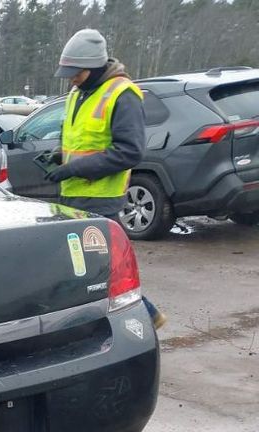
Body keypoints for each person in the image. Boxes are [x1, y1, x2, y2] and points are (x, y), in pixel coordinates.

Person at [44, 28, 166, 329]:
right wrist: (61, 154)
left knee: (104, 269)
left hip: (102, 198)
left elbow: (129, 152)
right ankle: (110, 318)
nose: (70, 77)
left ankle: (146, 316)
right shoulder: (79, 92)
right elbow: (83, 139)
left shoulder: (122, 95)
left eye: (76, 72)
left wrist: (75, 168)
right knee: (85, 267)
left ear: (95, 67)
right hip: (73, 194)